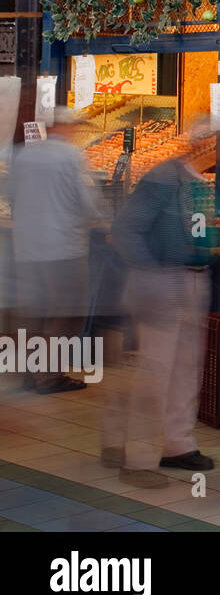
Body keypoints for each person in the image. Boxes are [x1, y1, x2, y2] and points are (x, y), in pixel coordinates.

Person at [101, 129, 216, 487]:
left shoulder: (200, 183)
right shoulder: (164, 178)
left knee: (185, 369)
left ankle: (177, 444)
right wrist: (153, 273)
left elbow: (196, 233)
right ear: (204, 144)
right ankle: (135, 459)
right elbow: (125, 230)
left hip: (191, 281)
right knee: (155, 372)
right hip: (162, 283)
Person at [6, 107, 103, 394]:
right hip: (64, 249)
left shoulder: (24, 155)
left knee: (32, 315)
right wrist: (101, 219)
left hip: (27, 249)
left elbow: (11, 194)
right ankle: (49, 376)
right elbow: (87, 200)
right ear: (65, 127)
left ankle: (29, 373)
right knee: (65, 315)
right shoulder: (72, 156)